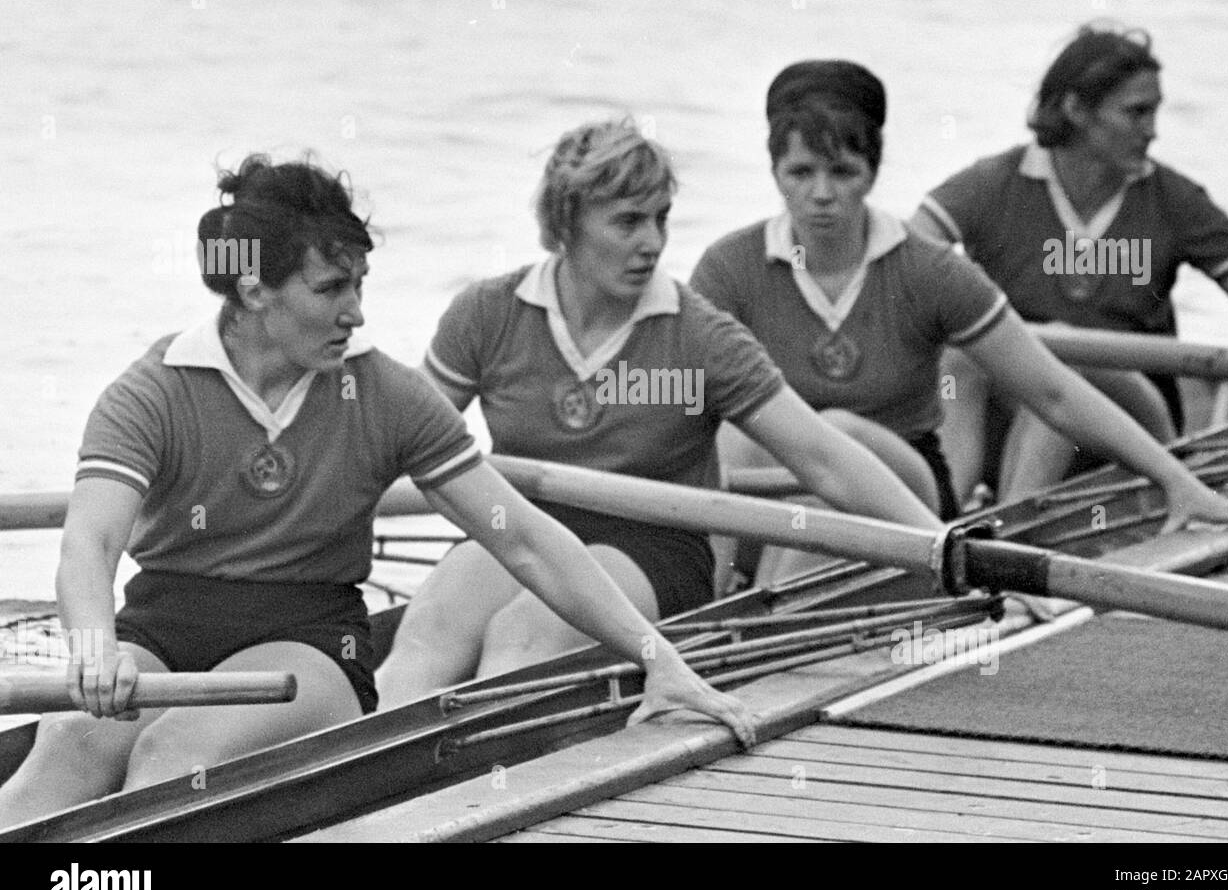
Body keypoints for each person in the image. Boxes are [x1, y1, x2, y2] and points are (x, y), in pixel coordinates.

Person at [0, 155, 756, 831]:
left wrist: (659, 655)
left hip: (310, 646)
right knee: (67, 743)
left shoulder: (383, 394)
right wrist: (93, 646)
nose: (357, 312)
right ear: (255, 288)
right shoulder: (155, 391)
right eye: (332, 288)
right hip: (163, 630)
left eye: (360, 284)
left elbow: (520, 537)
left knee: (173, 757)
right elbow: (90, 542)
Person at [376, 119, 946, 708]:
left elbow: (823, 460)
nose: (652, 242)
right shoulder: (486, 315)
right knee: (428, 632)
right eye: (628, 221)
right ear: (566, 225)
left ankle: (483, 783)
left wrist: (942, 547)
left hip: (654, 541)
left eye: (661, 218)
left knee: (525, 638)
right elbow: (400, 453)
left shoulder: (699, 334)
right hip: (523, 523)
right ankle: (364, 783)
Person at [690, 58, 1228, 579]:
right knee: (720, 434)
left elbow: (1055, 392)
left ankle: (762, 608)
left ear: (872, 171)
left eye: (842, 173)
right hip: (784, 483)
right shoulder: (730, 266)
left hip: (909, 491)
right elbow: (683, 414)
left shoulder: (928, 271)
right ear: (774, 171)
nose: (821, 195)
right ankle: (705, 606)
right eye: (800, 172)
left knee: (834, 432)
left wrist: (1179, 482)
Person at [911, 24, 1228, 498]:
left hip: (1142, 424)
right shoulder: (992, 186)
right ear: (1076, 110)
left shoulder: (1176, 201)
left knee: (1060, 365)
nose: (1152, 131)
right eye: (1136, 113)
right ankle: (942, 518)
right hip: (1018, 412)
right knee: (963, 358)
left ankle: (1006, 535)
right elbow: (901, 273)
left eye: (1155, 113)